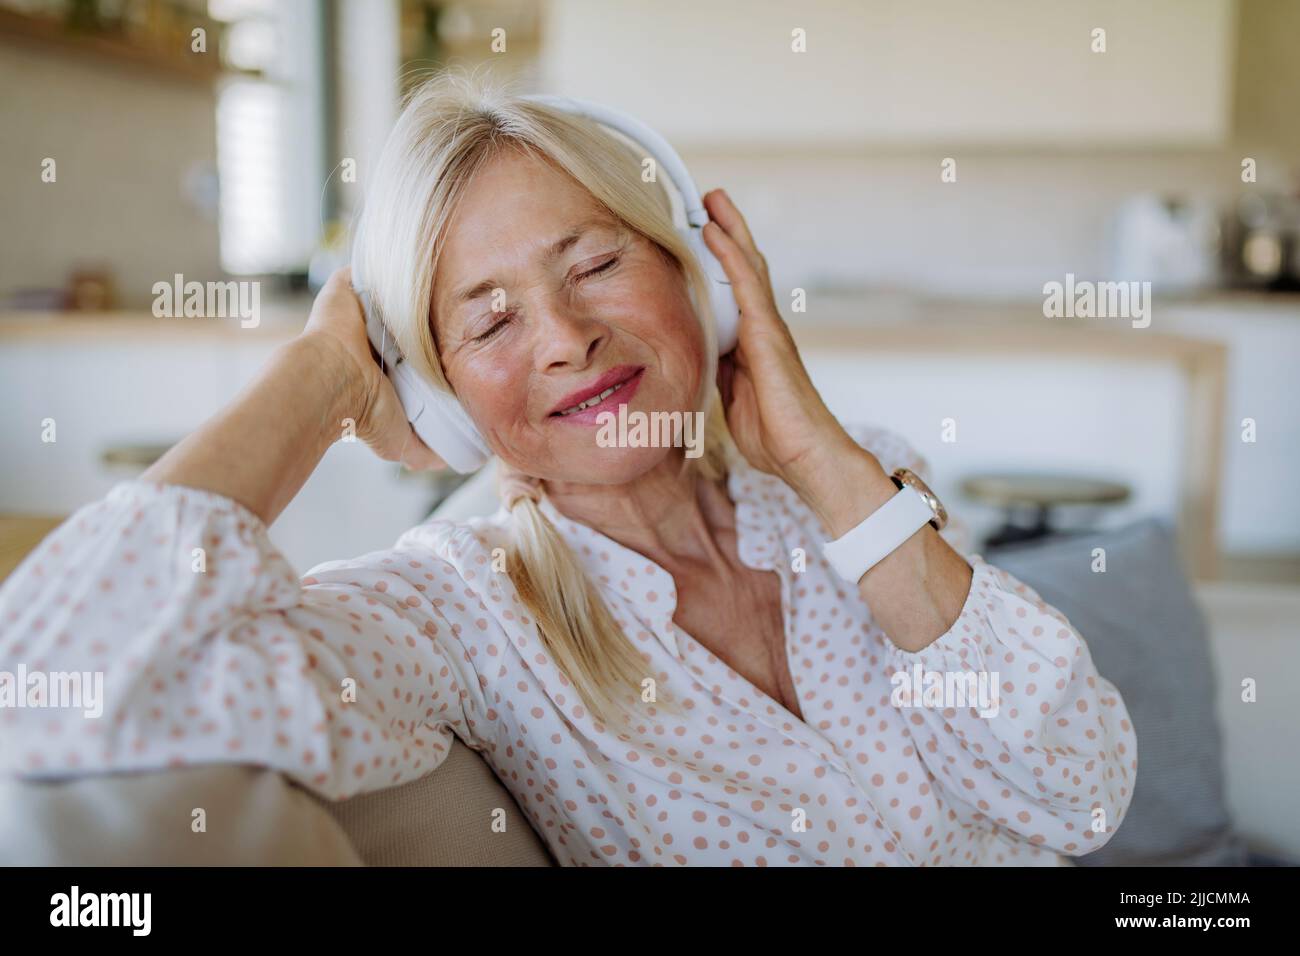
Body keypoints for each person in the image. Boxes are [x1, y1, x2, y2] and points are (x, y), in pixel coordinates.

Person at [0, 71, 1135, 866]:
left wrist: (821, 455)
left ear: (702, 275)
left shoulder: (862, 486)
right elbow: (56, 688)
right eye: (487, 323)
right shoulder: (457, 607)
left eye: (595, 262)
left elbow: (1078, 788)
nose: (561, 336)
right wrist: (323, 374)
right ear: (441, 396)